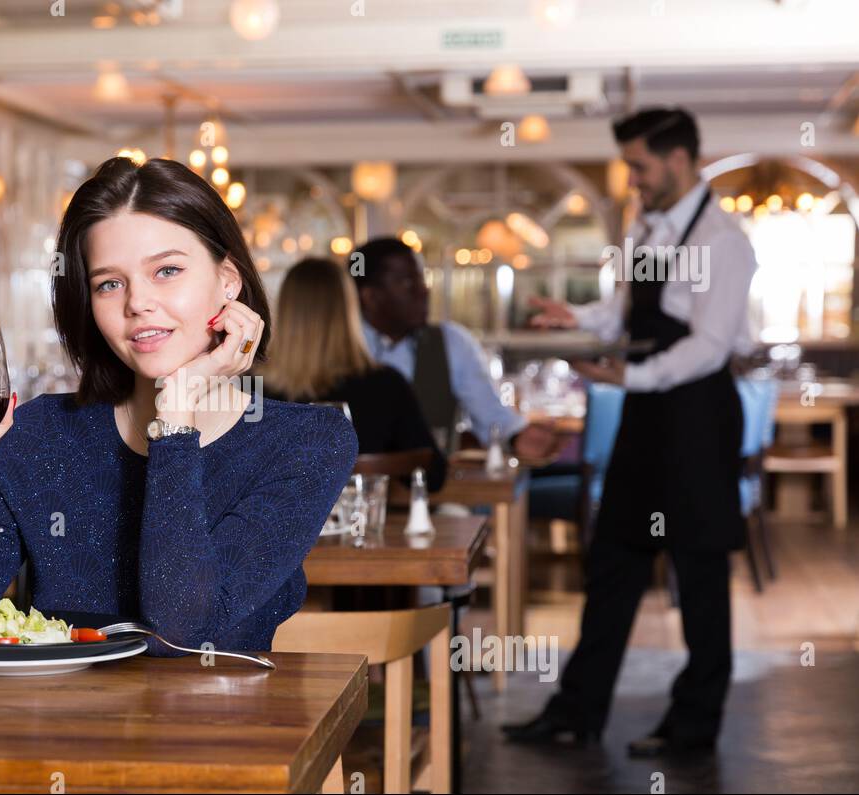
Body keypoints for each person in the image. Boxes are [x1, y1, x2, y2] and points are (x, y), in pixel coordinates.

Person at [0, 157, 358, 654]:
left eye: (167, 271)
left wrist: (175, 423)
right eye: (109, 283)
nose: (137, 303)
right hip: (61, 724)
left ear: (228, 282)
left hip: (221, 729)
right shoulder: (38, 434)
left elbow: (182, 629)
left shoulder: (306, 442)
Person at [506, 107, 756, 757]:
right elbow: (622, 311)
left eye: (639, 165)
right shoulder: (645, 229)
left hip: (698, 419)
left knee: (699, 573)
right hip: (647, 418)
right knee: (614, 561)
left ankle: (695, 724)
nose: (633, 178)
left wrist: (630, 376)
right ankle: (576, 710)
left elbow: (709, 345)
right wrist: (575, 315)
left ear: (678, 160)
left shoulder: (723, 241)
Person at [350, 237, 558, 458]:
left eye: (422, 280)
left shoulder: (451, 342)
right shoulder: (338, 348)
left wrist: (519, 437)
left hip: (430, 489)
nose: (424, 291)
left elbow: (492, 416)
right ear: (371, 297)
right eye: (408, 283)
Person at [266, 256, 445, 491]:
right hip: (366, 525)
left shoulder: (253, 389)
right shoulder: (386, 385)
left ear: (284, 311)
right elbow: (433, 476)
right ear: (349, 311)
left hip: (278, 527)